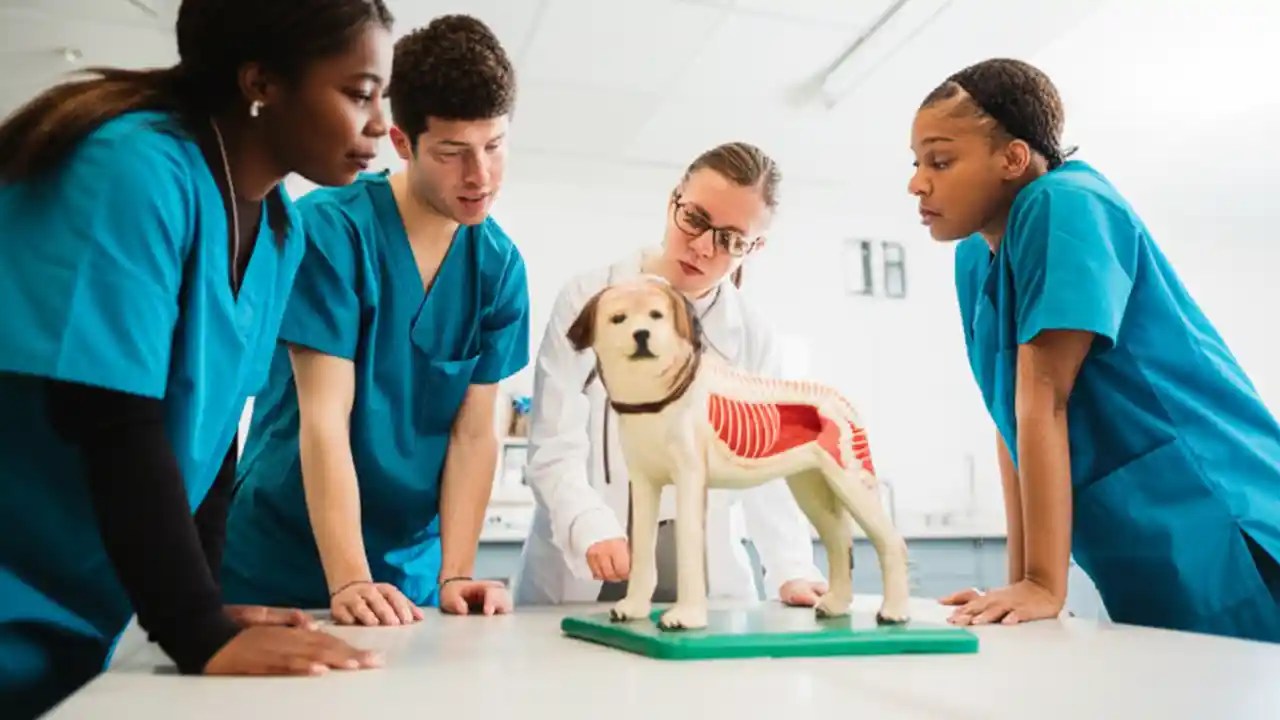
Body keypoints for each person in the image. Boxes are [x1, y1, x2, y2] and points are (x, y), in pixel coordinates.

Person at [0, 0, 397, 715]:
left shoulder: (279, 231)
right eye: (359, 93)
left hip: (76, 616)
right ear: (262, 82)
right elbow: (111, 416)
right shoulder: (132, 166)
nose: (379, 126)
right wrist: (194, 628)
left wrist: (211, 609)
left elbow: (216, 441)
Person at [908, 58, 1280, 642]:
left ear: (1012, 158)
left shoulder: (1065, 203)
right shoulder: (975, 255)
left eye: (940, 160)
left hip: (1218, 511)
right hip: (1142, 535)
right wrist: (1021, 587)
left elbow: (1045, 395)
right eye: (917, 162)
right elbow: (1013, 421)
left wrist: (1042, 583)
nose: (917, 182)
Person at [221, 15, 528, 626]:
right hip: (285, 556)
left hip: (406, 571)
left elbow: (473, 433)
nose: (481, 177)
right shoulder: (332, 231)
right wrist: (351, 577)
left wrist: (457, 571)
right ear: (403, 142)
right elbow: (325, 418)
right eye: (453, 153)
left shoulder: (498, 266)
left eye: (494, 146)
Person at [514, 142, 829, 606]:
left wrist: (791, 568)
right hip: (586, 561)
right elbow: (553, 442)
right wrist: (586, 523)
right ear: (672, 202)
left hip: (701, 572)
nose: (703, 247)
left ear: (754, 247)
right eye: (696, 219)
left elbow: (766, 462)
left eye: (730, 239)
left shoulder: (752, 337)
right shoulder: (589, 297)